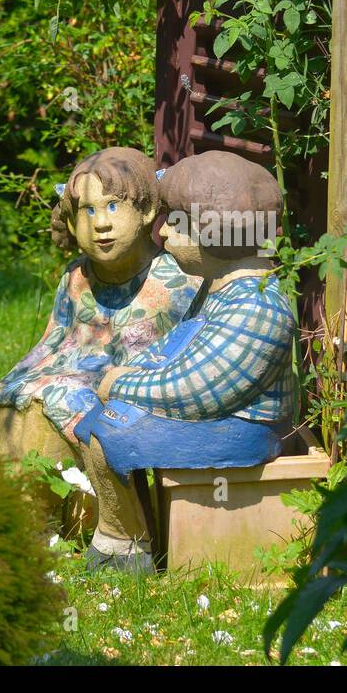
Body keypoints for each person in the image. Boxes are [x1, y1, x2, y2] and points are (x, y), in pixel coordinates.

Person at [0, 147, 198, 557]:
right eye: (87, 210)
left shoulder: (174, 279)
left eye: (114, 206)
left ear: (147, 210)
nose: (101, 223)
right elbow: (50, 344)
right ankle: (29, 527)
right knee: (22, 404)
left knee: (55, 403)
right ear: (70, 218)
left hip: (135, 398)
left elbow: (178, 358)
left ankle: (116, 532)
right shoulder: (76, 278)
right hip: (73, 390)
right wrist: (13, 385)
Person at [77, 151, 297, 486]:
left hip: (246, 428)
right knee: (100, 422)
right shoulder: (218, 289)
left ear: (215, 226)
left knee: (108, 436)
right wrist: (135, 371)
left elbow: (199, 390)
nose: (162, 231)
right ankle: (137, 528)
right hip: (218, 414)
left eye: (174, 222)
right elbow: (174, 351)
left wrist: (121, 384)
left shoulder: (258, 306)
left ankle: (125, 536)